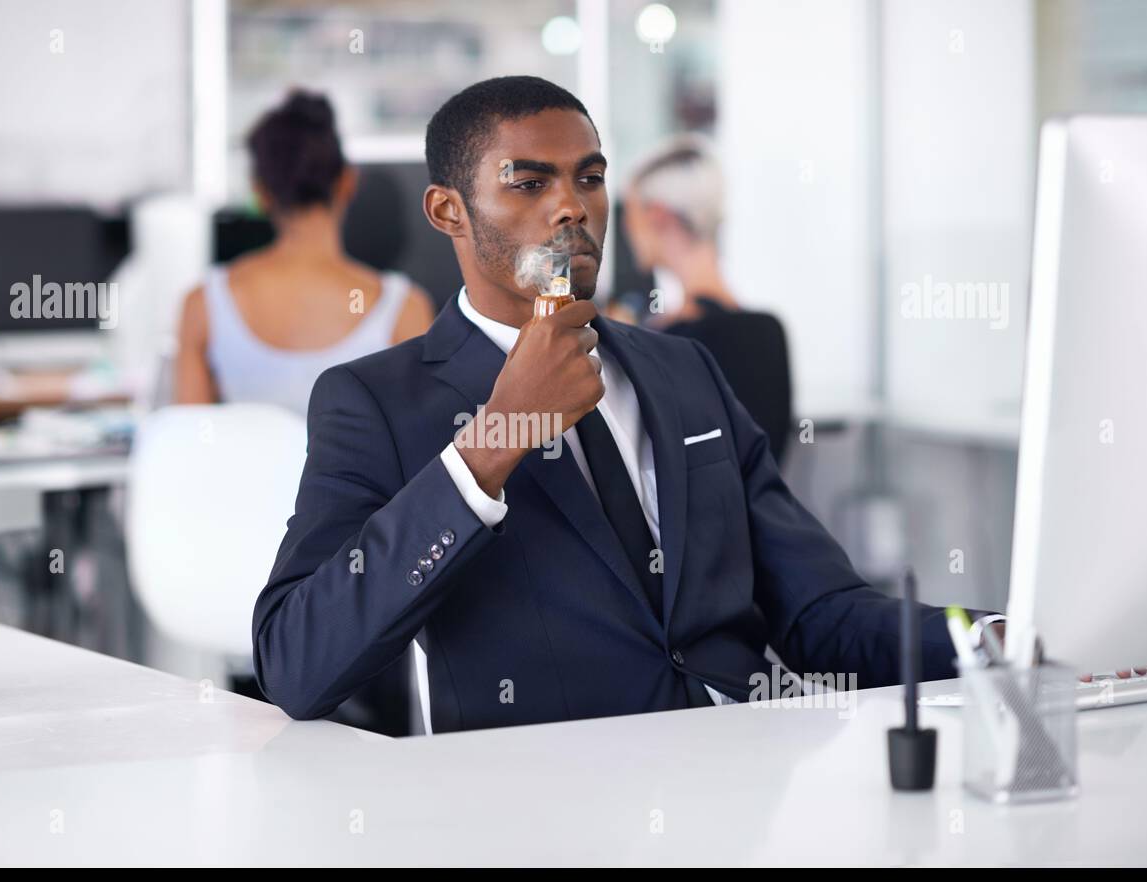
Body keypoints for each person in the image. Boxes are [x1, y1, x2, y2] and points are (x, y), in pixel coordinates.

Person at [252, 76, 992, 734]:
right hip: (554, 819)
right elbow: (297, 662)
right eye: (530, 183)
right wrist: (498, 437)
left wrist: (985, 636)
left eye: (590, 178)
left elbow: (819, 612)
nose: (571, 206)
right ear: (449, 211)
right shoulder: (376, 402)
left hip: (744, 788)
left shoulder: (684, 370)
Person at [174, 90, 434, 411]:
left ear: (260, 192)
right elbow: (422, 444)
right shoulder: (405, 310)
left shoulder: (202, 306)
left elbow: (188, 441)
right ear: (348, 182)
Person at [622, 135, 792, 463]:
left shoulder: (670, 339)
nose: (628, 229)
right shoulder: (768, 331)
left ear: (657, 216)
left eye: (630, 214)